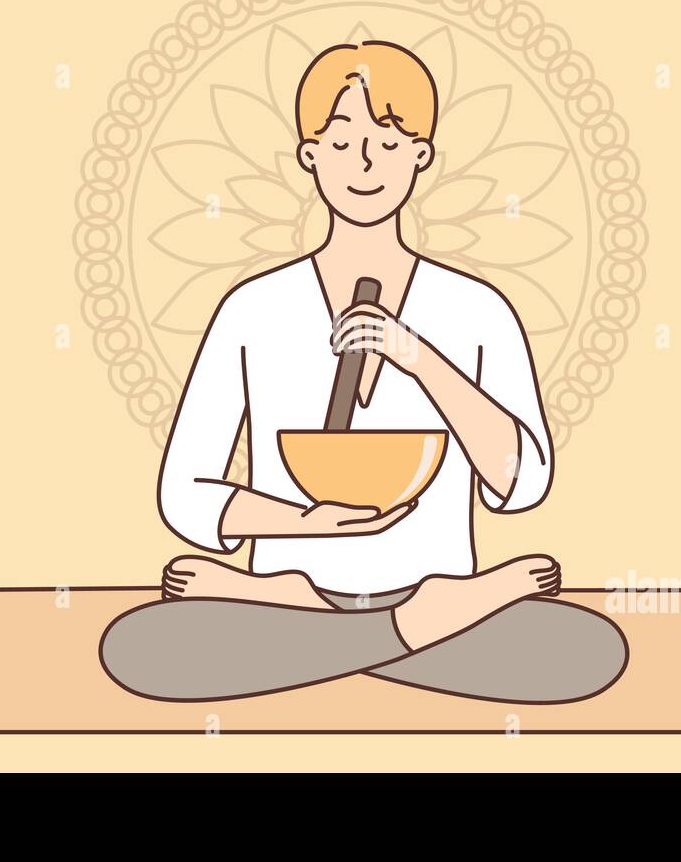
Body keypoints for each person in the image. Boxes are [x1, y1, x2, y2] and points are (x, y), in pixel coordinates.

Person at [100, 40, 628, 703]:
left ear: (422, 154)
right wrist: (304, 524)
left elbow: (520, 482)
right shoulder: (252, 309)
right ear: (309, 155)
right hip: (313, 602)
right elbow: (184, 492)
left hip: (314, 609)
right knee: (142, 651)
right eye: (342, 138)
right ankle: (416, 622)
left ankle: (347, 626)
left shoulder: (477, 310)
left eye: (389, 136)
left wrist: (418, 357)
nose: (366, 160)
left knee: (580, 655)